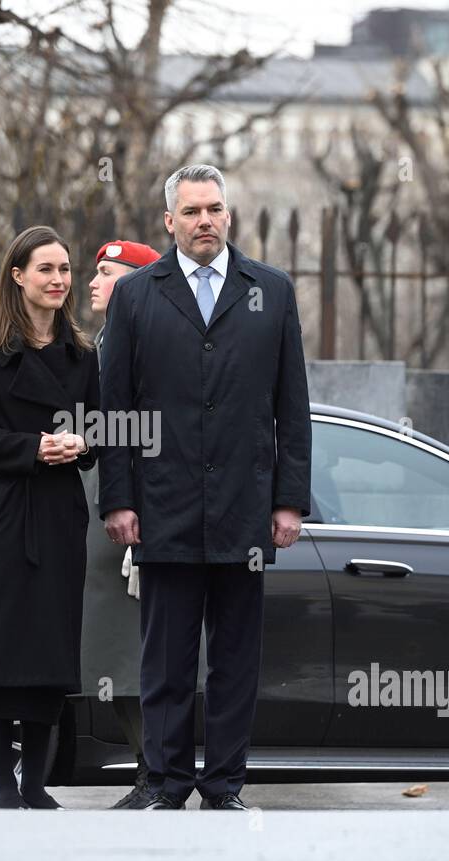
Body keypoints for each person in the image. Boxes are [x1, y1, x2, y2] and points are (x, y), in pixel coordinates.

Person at [98, 163, 312, 810]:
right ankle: (165, 782)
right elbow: (114, 410)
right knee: (165, 660)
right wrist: (119, 498)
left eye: (214, 209)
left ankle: (223, 785)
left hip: (245, 513)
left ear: (229, 215)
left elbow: (292, 406)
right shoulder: (137, 295)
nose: (204, 221)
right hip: (162, 509)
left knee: (235, 662)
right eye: (191, 211)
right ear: (169, 220)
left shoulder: (270, 291)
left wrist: (288, 499)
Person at [0, 225, 100, 809]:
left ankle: (36, 781)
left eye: (65, 270)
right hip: (7, 515)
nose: (59, 280)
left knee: (53, 646)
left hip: (61, 514)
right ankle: (2, 783)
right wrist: (30, 447)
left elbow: (104, 430)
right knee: (4, 646)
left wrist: (81, 445)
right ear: (18, 276)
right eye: (46, 270)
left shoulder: (83, 357)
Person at [83, 238, 162, 810]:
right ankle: (149, 770)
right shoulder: (108, 340)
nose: (91, 282)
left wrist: (132, 507)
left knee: (134, 658)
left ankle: (154, 774)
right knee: (113, 658)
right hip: (106, 520)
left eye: (106, 272)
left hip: (131, 521)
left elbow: (141, 436)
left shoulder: (146, 341)